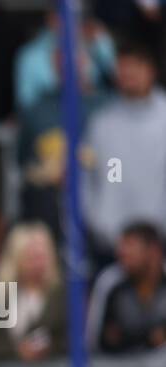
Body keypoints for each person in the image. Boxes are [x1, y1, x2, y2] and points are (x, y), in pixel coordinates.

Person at [80, 39, 166, 269]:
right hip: (111, 248)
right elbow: (90, 180)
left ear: (151, 70)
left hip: (160, 246)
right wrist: (101, 225)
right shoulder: (102, 124)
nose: (128, 74)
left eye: (135, 67)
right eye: (122, 68)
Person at [0, 222, 66, 362]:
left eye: (42, 257)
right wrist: (16, 351)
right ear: (17, 257)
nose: (38, 264)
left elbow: (67, 337)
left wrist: (49, 348)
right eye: (32, 257)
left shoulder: (60, 292)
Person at [87, 221, 166, 355]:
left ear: (153, 250)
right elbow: (98, 341)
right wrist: (148, 338)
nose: (122, 253)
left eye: (130, 246)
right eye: (121, 246)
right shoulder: (110, 283)